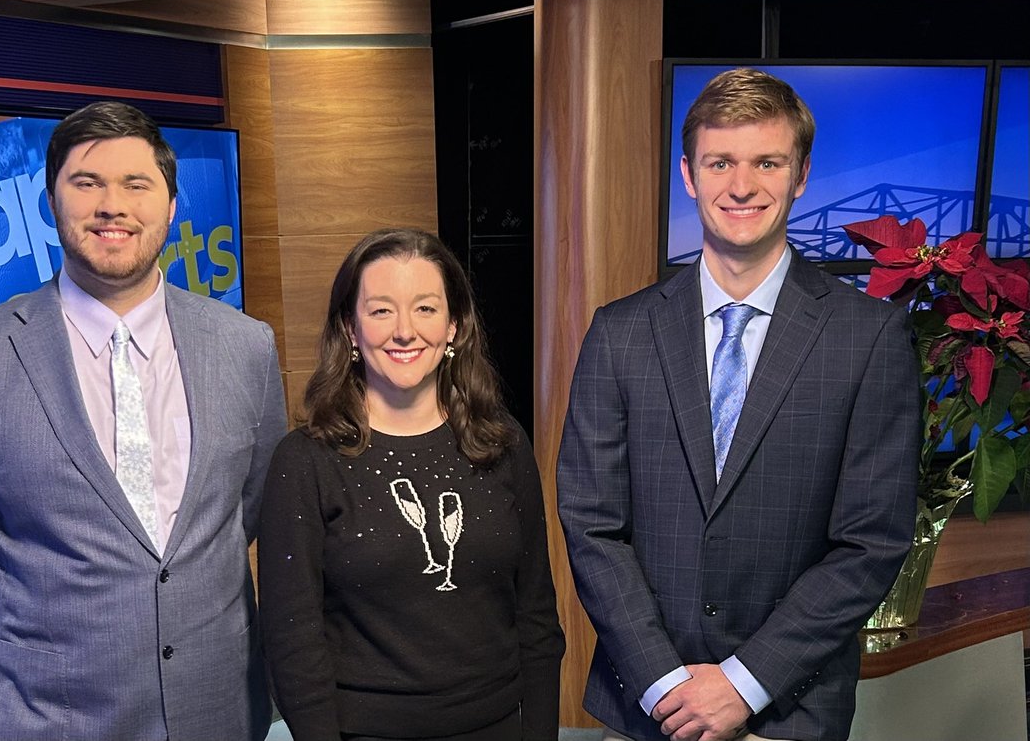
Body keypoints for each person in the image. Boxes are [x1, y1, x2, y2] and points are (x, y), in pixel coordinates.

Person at [0, 101, 287, 741]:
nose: (113, 206)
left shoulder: (245, 346)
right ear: (50, 202)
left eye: (137, 184)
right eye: (87, 183)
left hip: (214, 703)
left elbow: (248, 506)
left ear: (170, 205)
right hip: (50, 713)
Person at [557, 68, 920, 741]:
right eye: (720, 162)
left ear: (801, 174)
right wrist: (667, 685)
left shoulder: (869, 338)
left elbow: (871, 541)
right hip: (647, 711)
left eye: (767, 163)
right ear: (689, 175)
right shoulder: (619, 332)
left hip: (788, 713)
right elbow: (591, 523)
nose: (742, 186)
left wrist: (743, 683)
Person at [258, 228, 564, 741]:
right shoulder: (305, 461)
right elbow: (292, 644)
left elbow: (537, 617)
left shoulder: (503, 442)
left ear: (454, 326)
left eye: (425, 308)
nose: (405, 331)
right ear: (350, 329)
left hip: (499, 727)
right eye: (381, 310)